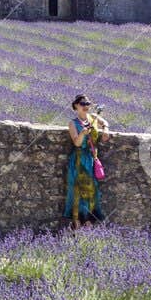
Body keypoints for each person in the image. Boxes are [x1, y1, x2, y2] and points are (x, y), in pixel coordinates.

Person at [63, 94, 109, 228]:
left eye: (88, 103)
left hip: (91, 159)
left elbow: (105, 123)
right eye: (83, 104)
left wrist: (105, 130)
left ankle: (89, 220)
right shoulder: (73, 123)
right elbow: (77, 143)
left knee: (92, 189)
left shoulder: (93, 118)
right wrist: (83, 133)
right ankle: (77, 222)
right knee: (78, 189)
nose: (86, 106)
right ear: (76, 106)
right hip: (79, 160)